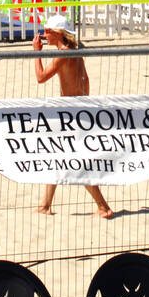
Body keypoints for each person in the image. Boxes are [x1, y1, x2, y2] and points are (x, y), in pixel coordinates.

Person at [33, 14, 112, 218]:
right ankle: (45, 204)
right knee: (59, 157)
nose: (44, 34)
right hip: (78, 109)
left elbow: (41, 77)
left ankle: (103, 206)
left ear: (58, 33)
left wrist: (36, 53)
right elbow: (85, 80)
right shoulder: (75, 53)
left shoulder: (63, 55)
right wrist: (84, 101)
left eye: (47, 31)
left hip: (71, 113)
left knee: (74, 161)